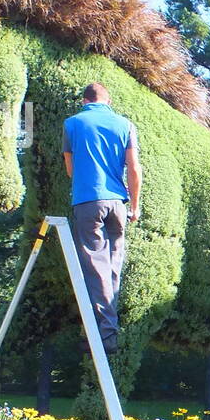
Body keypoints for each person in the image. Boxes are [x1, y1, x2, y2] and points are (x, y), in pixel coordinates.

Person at [63, 82, 141, 355]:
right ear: (107, 101)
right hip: (118, 203)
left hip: (88, 201)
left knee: (95, 268)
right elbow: (133, 168)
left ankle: (105, 335)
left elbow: (70, 169)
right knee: (112, 268)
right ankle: (100, 329)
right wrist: (135, 205)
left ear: (84, 100)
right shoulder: (125, 124)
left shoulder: (72, 123)